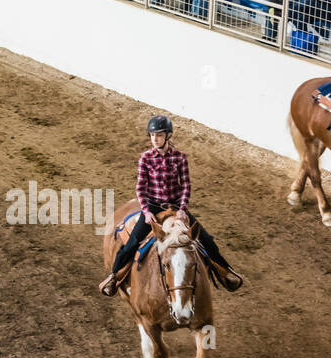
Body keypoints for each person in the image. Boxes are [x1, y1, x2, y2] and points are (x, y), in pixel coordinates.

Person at [98, 116, 243, 296]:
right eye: (152, 135)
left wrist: (182, 209)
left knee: (206, 240)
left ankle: (224, 272)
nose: (155, 139)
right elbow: (140, 188)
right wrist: (146, 211)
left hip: (175, 208)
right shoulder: (145, 158)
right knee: (132, 242)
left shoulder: (180, 158)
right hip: (153, 208)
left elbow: (186, 186)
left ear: (168, 135)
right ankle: (114, 276)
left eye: (159, 135)